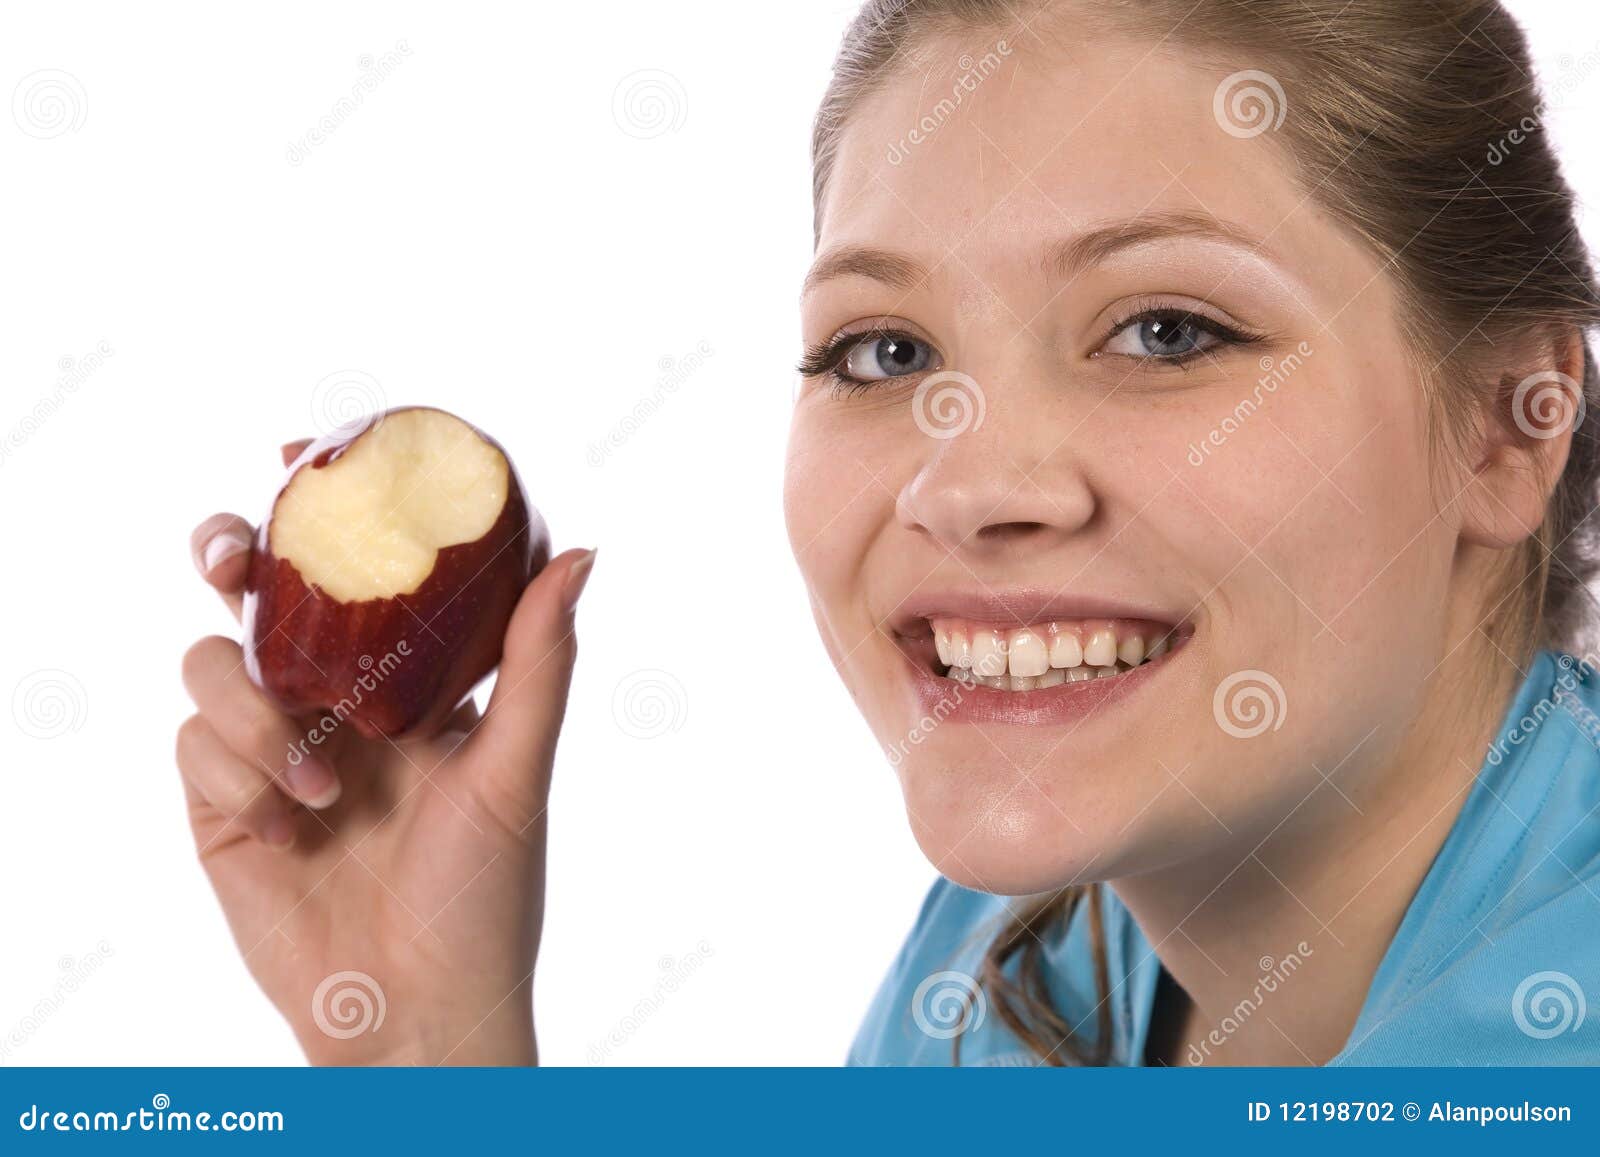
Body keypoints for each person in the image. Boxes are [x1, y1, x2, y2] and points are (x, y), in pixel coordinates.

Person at [177, 0, 1600, 1066]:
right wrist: (430, 1056)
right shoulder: (1017, 963)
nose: (968, 485)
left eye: (1167, 330)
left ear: (1510, 420)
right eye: (884, 351)